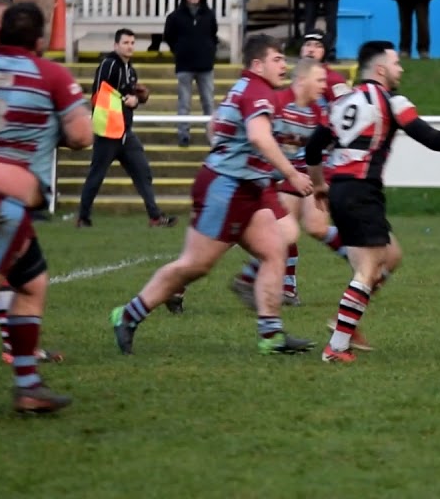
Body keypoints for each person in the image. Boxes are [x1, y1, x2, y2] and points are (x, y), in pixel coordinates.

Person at [305, 40, 440, 363]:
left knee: (392, 255)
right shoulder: (390, 101)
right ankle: (337, 345)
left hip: (342, 189)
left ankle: (346, 322)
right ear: (381, 69)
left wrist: (319, 185)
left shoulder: (343, 102)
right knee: (368, 268)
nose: (401, 69)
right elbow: (431, 138)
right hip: (361, 191)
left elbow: (314, 147)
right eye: (397, 63)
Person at [109, 34, 316, 356]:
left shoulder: (252, 89)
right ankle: (128, 315)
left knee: (276, 250)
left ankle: (271, 334)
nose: (284, 64)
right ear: (257, 64)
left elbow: (216, 126)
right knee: (195, 265)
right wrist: (290, 173)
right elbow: (259, 137)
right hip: (227, 188)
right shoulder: (256, 91)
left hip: (244, 187)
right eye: (277, 59)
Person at [0, 2, 93, 412]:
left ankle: (28, 385)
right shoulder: (50, 75)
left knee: (31, 283)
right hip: (1, 200)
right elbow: (82, 135)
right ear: (39, 40)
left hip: (6, 204)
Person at [227, 57, 349, 310]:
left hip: (274, 180)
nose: (324, 85)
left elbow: (323, 148)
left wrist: (319, 184)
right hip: (248, 178)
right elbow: (256, 138)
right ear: (301, 80)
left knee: (286, 232)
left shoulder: (317, 113)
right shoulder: (277, 103)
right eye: (319, 80)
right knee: (222, 240)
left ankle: (264, 293)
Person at [0, 0, 65, 366]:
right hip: (1, 188)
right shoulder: (20, 68)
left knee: (23, 274)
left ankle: (21, 360)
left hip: (8, 195)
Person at [77, 29, 177, 228]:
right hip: (108, 131)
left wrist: (139, 98)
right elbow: (100, 95)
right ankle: (83, 217)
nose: (130, 46)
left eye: (132, 42)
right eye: (125, 42)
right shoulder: (109, 64)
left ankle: (155, 216)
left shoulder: (130, 69)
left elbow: (130, 98)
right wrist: (127, 100)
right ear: (116, 45)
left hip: (125, 131)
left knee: (143, 172)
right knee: (96, 175)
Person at [164, 0, 218, 147]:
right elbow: (169, 37)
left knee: (208, 102)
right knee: (184, 102)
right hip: (184, 65)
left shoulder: (209, 14)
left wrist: (209, 51)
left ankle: (212, 135)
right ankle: (183, 134)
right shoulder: (175, 17)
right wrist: (179, 51)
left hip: (205, 65)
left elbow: (213, 34)